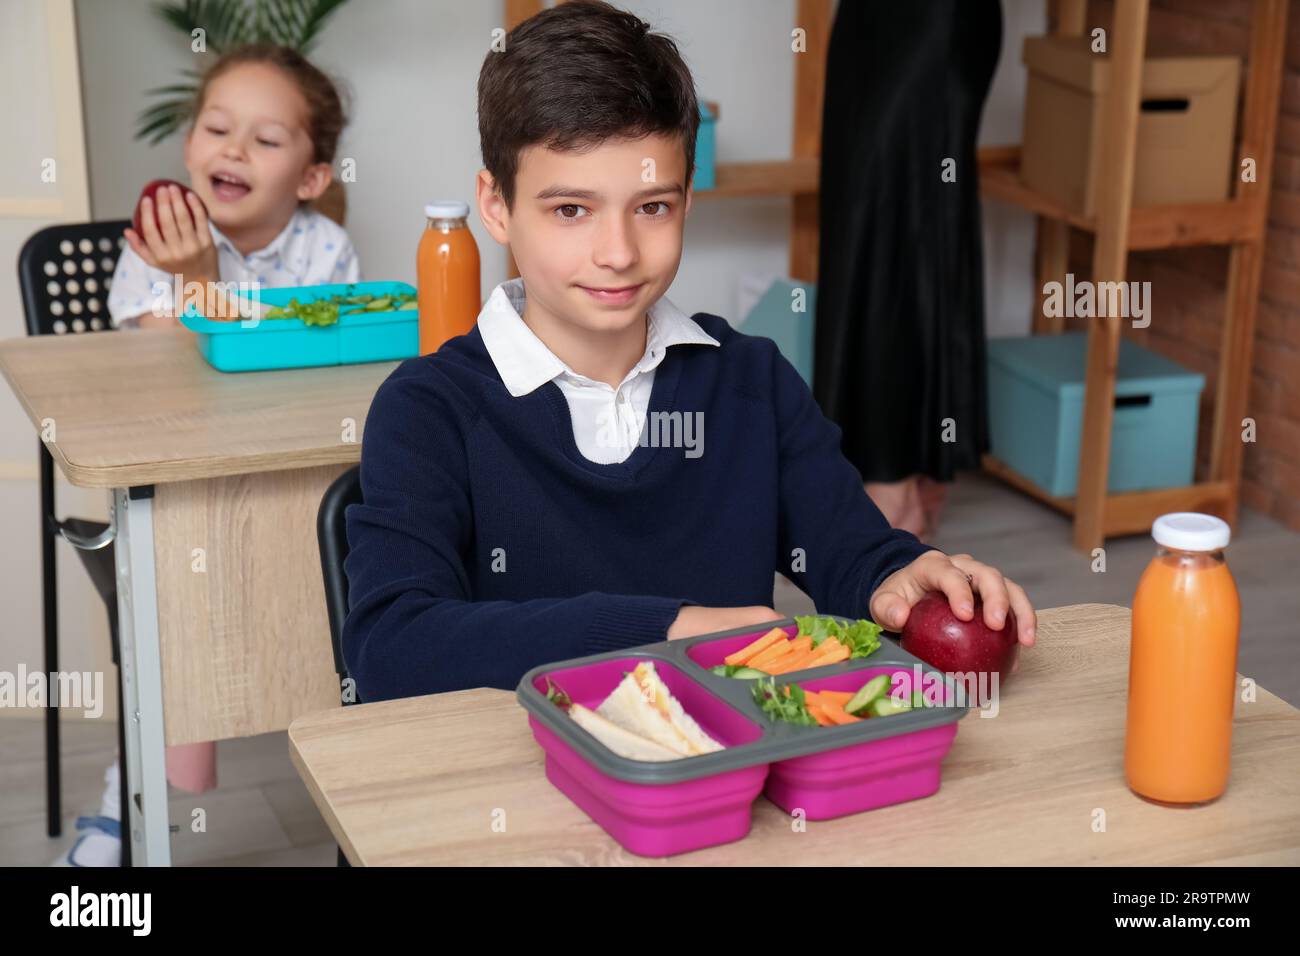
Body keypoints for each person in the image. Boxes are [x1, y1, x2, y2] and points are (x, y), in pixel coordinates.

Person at [342, 0, 1035, 706]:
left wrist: (899, 576)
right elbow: (392, 649)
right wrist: (663, 629)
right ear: (496, 205)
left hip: (727, 792)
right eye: (570, 210)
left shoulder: (749, 382)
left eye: (652, 207)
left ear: (686, 200)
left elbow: (848, 550)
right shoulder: (428, 409)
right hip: (516, 793)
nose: (617, 253)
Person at [59, 44, 356, 868]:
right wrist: (192, 277)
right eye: (218, 129)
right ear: (189, 147)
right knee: (170, 632)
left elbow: (308, 358)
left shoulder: (324, 255)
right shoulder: (155, 242)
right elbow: (164, 368)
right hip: (180, 495)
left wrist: (209, 286)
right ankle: (125, 811)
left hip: (291, 489)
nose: (233, 149)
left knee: (357, 585)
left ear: (310, 177)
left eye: (266, 140)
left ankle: (365, 782)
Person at [813, 1, 1002, 538]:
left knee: (902, 221)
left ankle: (891, 482)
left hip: (931, 20)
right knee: (862, 222)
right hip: (866, 20)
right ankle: (902, 476)